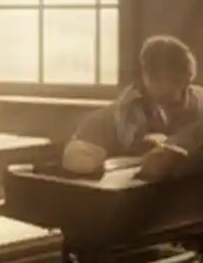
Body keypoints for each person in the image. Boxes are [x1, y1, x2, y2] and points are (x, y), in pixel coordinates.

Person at [62, 35, 203, 177]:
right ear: (146, 77)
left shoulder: (197, 101)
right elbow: (77, 159)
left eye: (180, 81)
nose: (179, 91)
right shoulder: (122, 112)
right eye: (159, 79)